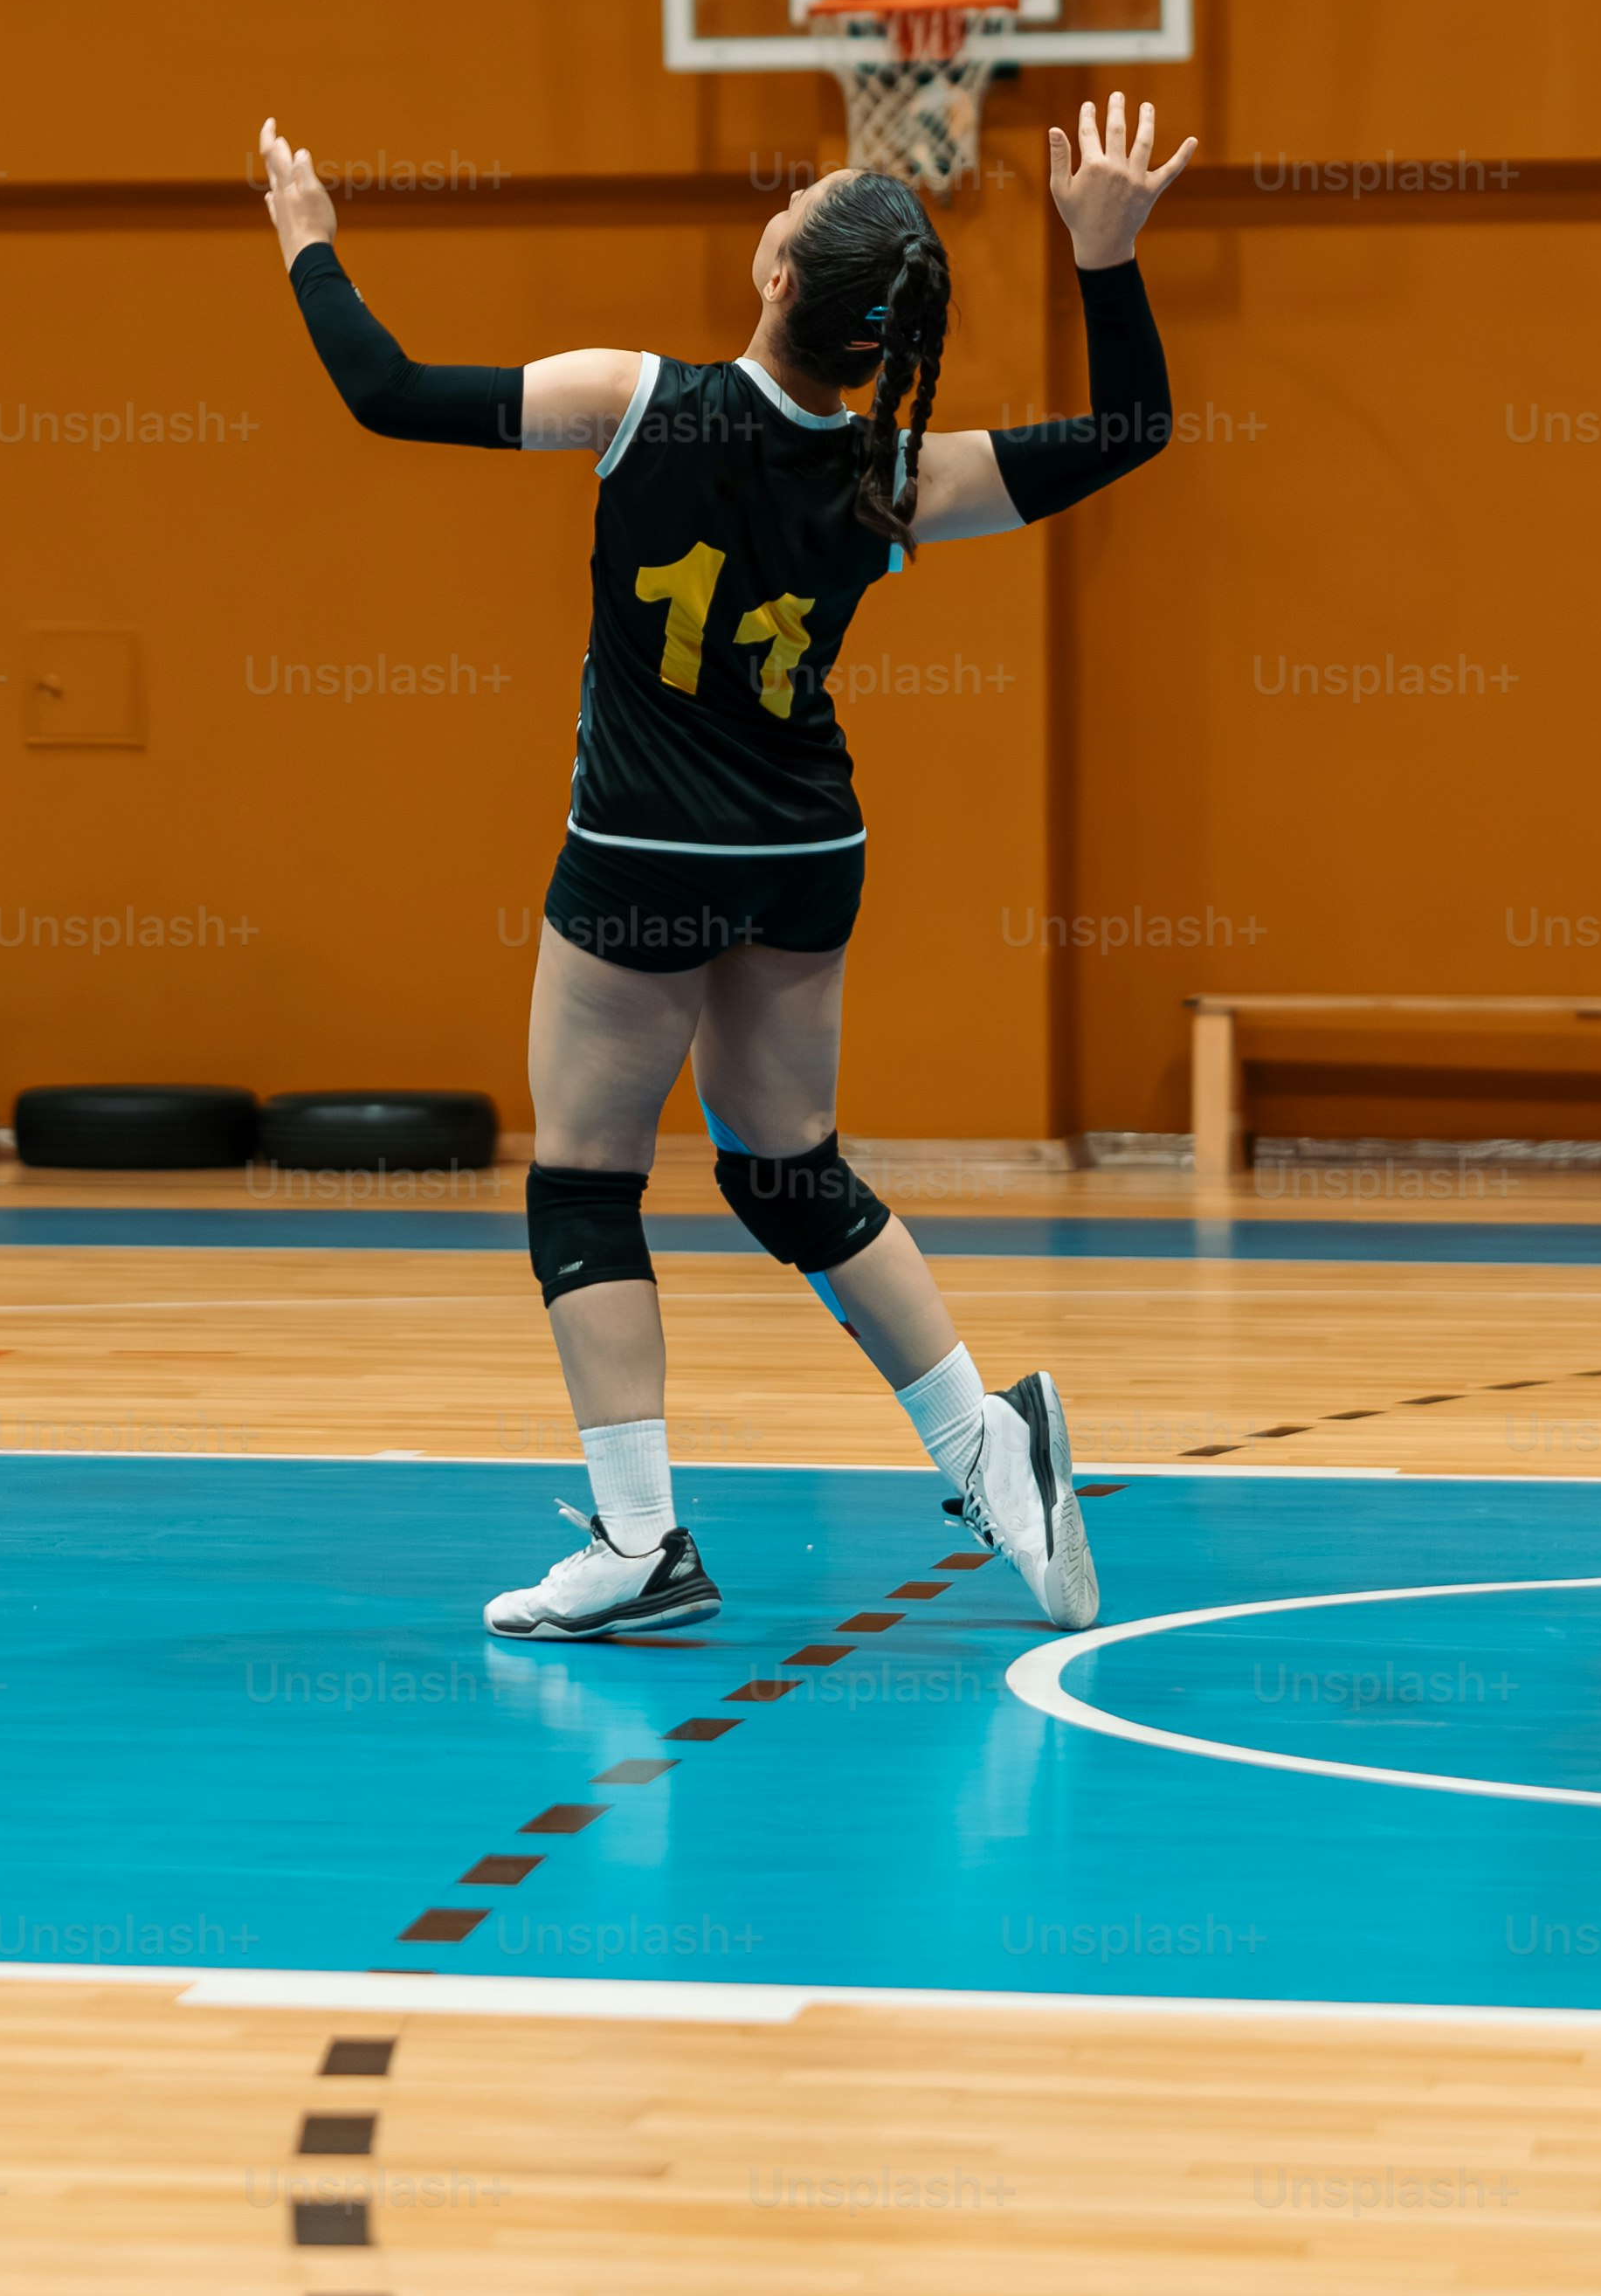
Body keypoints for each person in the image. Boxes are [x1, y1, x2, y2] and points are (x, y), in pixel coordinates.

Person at [258, 96, 1196, 1639]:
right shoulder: (899, 474)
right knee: (782, 1167)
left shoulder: (637, 401)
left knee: (583, 1183)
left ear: (775, 271)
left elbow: (389, 392)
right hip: (807, 852)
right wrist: (1106, 263)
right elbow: (1130, 431)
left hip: (643, 855)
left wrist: (310, 249)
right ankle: (985, 1441)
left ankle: (640, 1543)